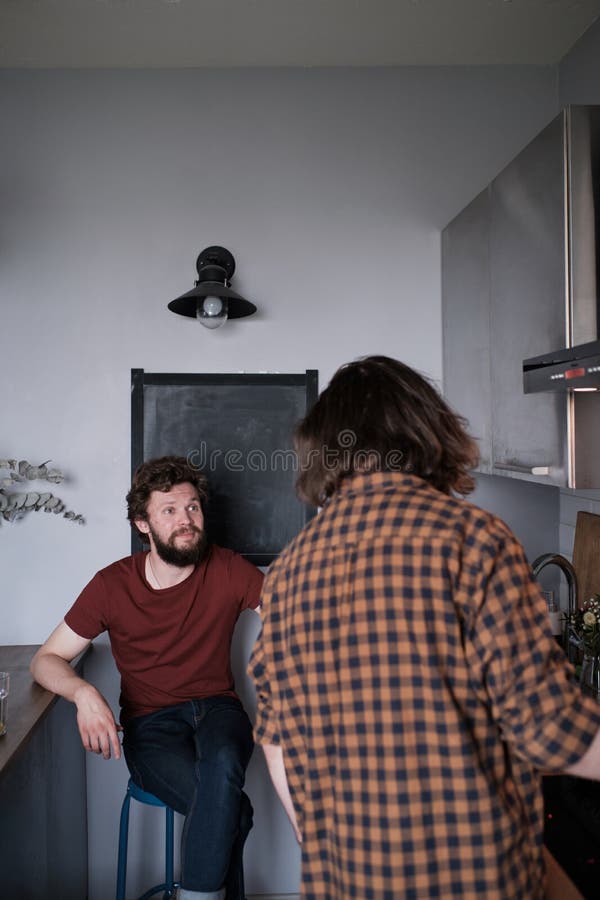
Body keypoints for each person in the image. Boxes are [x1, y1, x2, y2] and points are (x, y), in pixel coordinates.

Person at [249, 355, 600, 900]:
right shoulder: (472, 541)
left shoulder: (289, 570)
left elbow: (277, 745)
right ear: (425, 431)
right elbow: (550, 731)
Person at [31, 455, 263, 900]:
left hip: (218, 709)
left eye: (192, 507)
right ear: (142, 524)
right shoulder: (111, 585)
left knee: (223, 763)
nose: (186, 520)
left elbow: (293, 623)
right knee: (232, 811)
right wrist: (83, 693)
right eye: (169, 511)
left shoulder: (229, 568)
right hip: (150, 723)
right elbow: (47, 660)